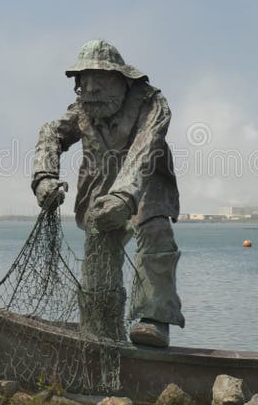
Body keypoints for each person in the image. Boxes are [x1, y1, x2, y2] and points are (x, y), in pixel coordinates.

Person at [32, 39, 184, 348]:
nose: (90, 90)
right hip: (102, 196)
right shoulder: (83, 111)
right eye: (83, 83)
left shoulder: (149, 103)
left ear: (120, 79)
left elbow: (145, 147)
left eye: (98, 81)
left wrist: (124, 196)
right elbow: (51, 132)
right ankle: (103, 331)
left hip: (146, 189)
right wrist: (44, 178)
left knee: (155, 232)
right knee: (98, 266)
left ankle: (153, 319)